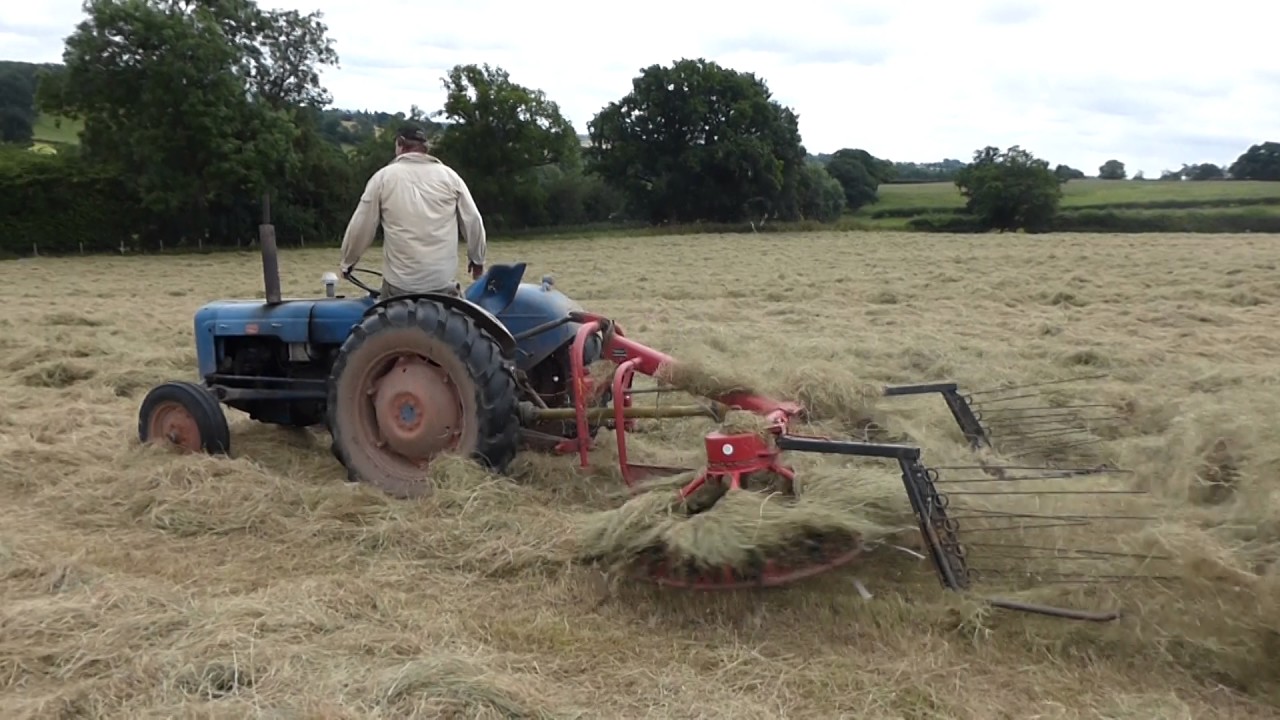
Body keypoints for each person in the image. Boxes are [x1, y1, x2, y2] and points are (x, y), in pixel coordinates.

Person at [338, 123, 486, 298]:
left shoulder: (383, 178)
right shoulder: (450, 177)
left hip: (399, 286)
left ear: (400, 143)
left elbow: (361, 226)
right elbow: (473, 220)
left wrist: (348, 262)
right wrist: (477, 260)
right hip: (442, 283)